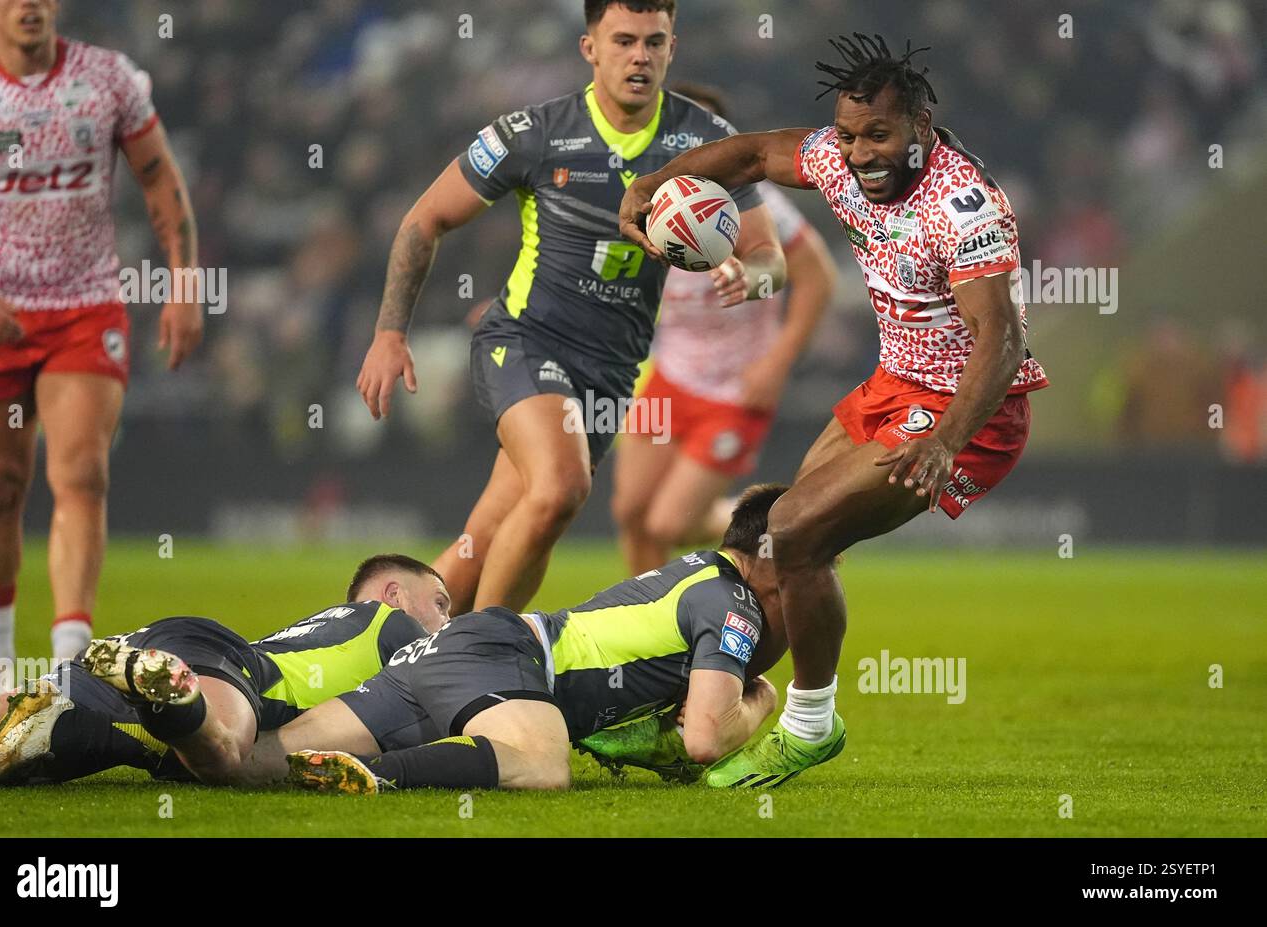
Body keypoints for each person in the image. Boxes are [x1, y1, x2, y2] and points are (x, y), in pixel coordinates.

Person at [618, 33, 1049, 787]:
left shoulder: (966, 204)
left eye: (878, 134)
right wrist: (654, 180)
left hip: (970, 410)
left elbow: (1002, 340)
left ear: (920, 125)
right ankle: (695, 715)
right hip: (891, 386)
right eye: (849, 135)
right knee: (762, 538)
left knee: (795, 529)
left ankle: (811, 724)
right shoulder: (838, 161)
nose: (859, 153)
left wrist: (947, 439)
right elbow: (751, 155)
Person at [354, 0, 786, 616]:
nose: (640, 56)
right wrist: (390, 333)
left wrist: (754, 280)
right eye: (624, 41)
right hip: (528, 341)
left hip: (612, 373)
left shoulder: (706, 144)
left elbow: (774, 258)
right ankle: (480, 655)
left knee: (485, 538)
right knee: (562, 487)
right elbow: (427, 217)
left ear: (672, 48)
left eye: (654, 42)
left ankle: (370, 652)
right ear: (591, 49)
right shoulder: (536, 132)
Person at [230, 484, 807, 793]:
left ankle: (156, 736)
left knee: (260, 756)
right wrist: (762, 699)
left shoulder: (698, 571)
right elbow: (704, 740)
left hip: (453, 653)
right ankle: (378, 774)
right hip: (507, 655)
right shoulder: (733, 601)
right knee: (542, 766)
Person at [0, 0, 203, 702]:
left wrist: (184, 280)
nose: (29, 4)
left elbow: (159, 176)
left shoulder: (108, 82)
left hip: (84, 307)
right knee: (0, 487)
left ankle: (70, 664)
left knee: (80, 472)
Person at [0, 554, 448, 787]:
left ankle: (70, 718)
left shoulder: (340, 627)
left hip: (173, 647)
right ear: (394, 594)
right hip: (222, 667)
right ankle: (165, 695)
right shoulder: (400, 629)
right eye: (441, 604)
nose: (447, 621)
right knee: (223, 754)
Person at [612, 82, 838, 574]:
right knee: (631, 512)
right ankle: (645, 628)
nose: (697, 146)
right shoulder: (648, 199)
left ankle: (774, 526)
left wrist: (777, 363)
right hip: (670, 375)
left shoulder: (757, 205)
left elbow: (815, 277)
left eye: (710, 136)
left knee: (668, 525)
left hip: (737, 387)